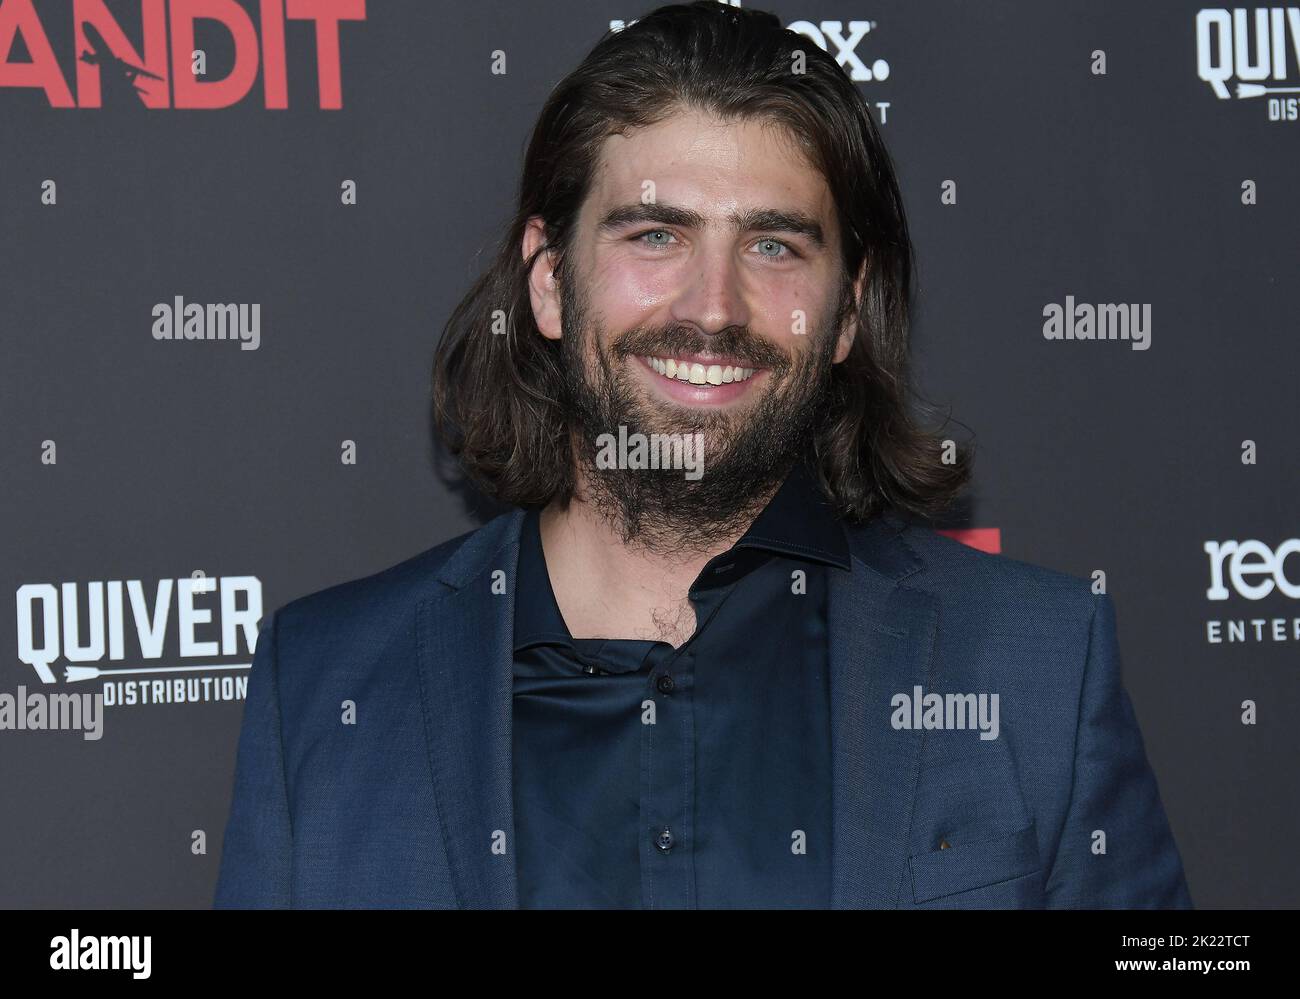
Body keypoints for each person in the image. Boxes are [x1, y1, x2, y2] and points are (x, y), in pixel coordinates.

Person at [214, 1, 1192, 909]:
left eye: (772, 247)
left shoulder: (1038, 666)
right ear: (550, 286)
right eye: (654, 234)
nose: (712, 307)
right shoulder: (327, 681)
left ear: (846, 313)